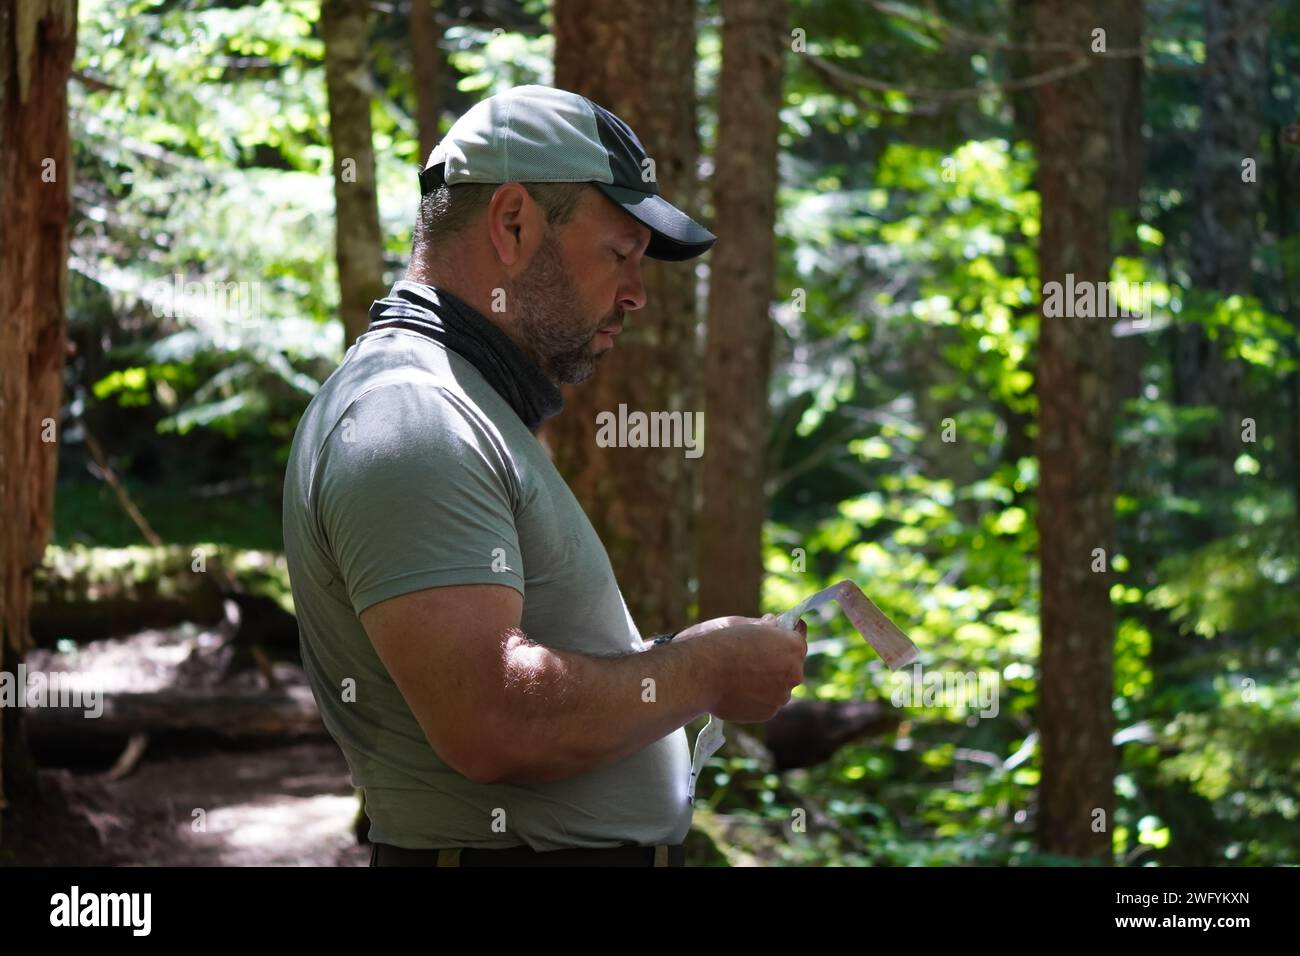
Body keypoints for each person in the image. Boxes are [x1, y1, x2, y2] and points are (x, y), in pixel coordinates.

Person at [282, 84, 807, 867]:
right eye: (620, 253)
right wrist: (702, 671)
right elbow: (491, 720)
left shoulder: (461, 403)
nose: (635, 294)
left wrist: (676, 661)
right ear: (514, 222)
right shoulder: (414, 417)